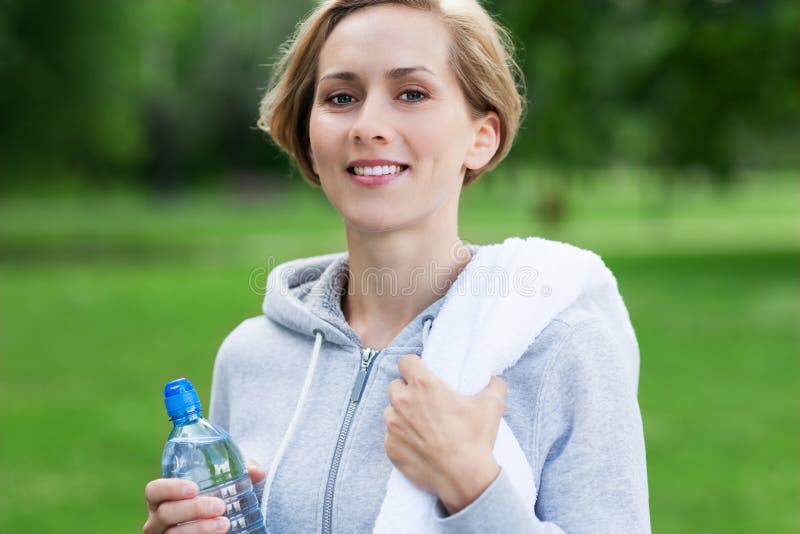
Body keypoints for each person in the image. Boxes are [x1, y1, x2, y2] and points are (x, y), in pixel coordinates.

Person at [143, 1, 651, 533]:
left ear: (482, 138)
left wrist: (472, 485)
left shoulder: (561, 352)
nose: (368, 125)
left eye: (411, 93)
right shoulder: (249, 357)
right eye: (341, 97)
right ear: (312, 143)